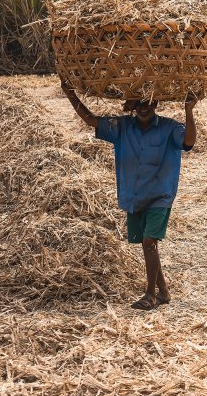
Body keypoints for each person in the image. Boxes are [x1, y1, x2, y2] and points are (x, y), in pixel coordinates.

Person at [62, 83, 195, 311]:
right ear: (131, 107)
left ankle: (150, 295)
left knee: (149, 241)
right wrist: (70, 94)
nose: (143, 108)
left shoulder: (169, 128)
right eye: (137, 104)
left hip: (160, 194)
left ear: (155, 103)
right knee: (147, 243)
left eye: (147, 103)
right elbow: (91, 120)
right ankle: (163, 292)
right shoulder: (121, 127)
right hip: (134, 195)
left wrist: (189, 111)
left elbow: (189, 142)